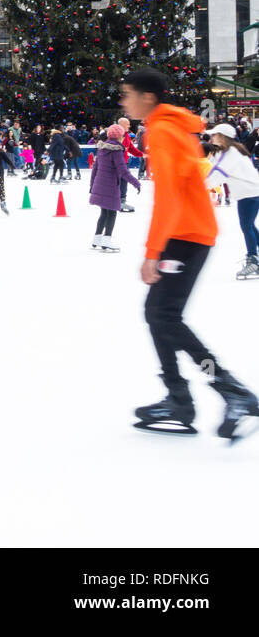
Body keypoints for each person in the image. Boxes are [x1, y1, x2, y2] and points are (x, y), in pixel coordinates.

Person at [121, 68, 258, 441]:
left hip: (186, 233)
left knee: (163, 315)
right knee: (160, 314)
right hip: (188, 232)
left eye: (127, 93)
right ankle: (179, 397)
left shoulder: (163, 131)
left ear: (147, 97)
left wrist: (153, 252)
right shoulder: (172, 127)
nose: (123, 100)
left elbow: (169, 197)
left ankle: (230, 390)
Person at [204, 122, 259, 279]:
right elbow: (214, 170)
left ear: (222, 137)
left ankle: (253, 260)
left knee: (247, 226)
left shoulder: (232, 153)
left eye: (214, 134)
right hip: (249, 192)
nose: (212, 137)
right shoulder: (228, 152)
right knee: (249, 226)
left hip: (249, 193)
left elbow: (218, 174)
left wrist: (200, 188)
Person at [88, 124, 141, 252]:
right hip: (110, 185)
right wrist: (136, 183)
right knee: (111, 213)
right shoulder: (116, 150)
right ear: (120, 136)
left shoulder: (102, 148)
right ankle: (106, 240)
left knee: (104, 212)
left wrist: (92, 185)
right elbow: (123, 171)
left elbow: (95, 168)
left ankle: (97, 238)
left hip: (100, 184)